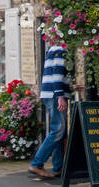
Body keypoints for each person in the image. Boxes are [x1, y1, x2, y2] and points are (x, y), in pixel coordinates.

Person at [29, 45, 71, 180]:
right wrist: (60, 96)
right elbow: (57, 76)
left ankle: (58, 168)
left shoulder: (53, 49)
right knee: (58, 130)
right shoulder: (61, 51)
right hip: (55, 96)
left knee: (59, 132)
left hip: (50, 94)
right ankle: (37, 163)